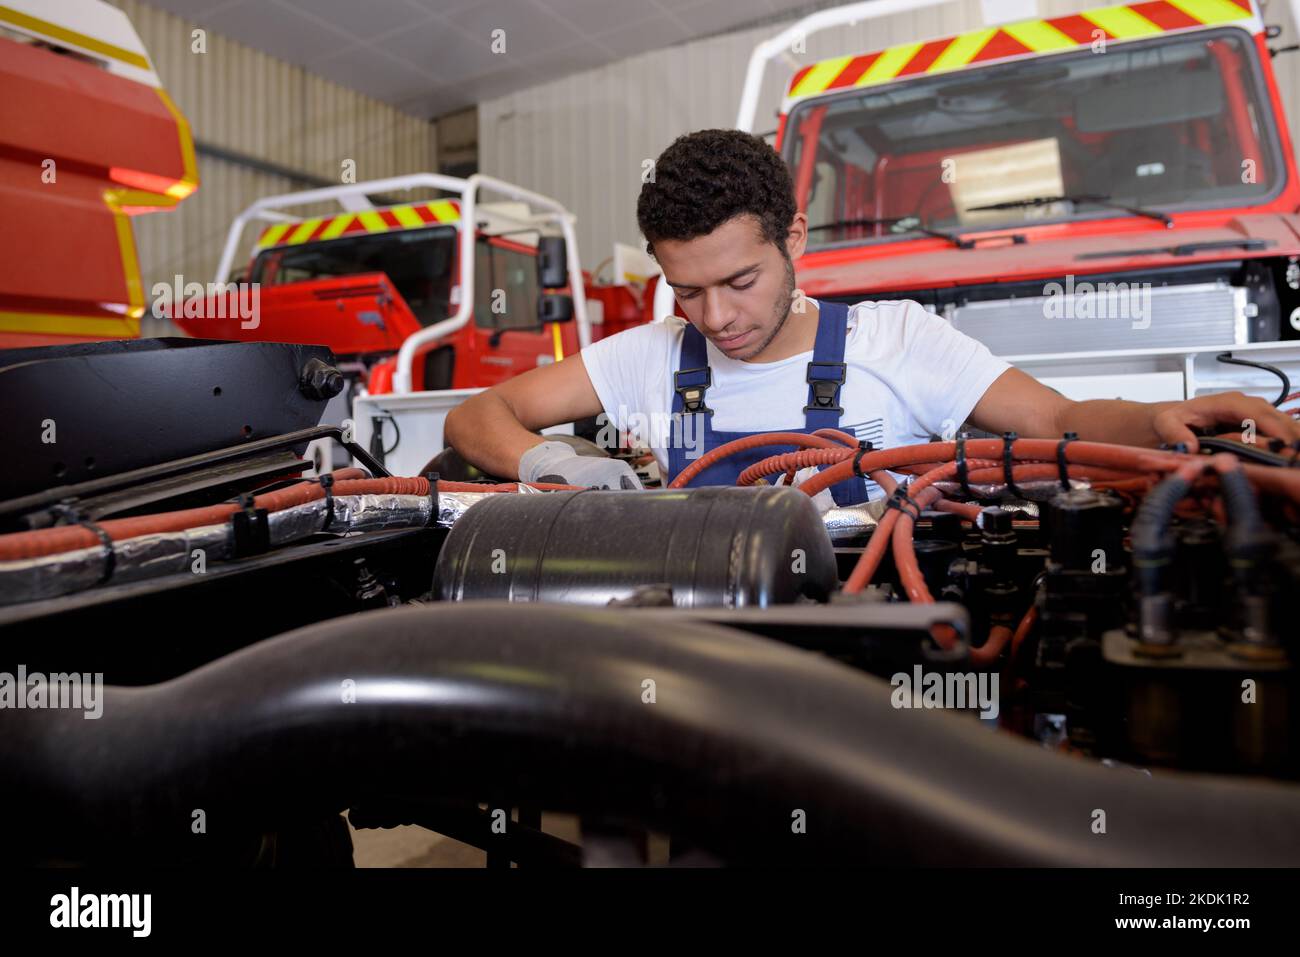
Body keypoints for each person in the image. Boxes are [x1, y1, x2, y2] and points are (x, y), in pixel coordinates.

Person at [444, 129, 1299, 497]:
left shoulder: (897, 337)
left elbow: (1058, 419)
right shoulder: (648, 356)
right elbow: (480, 412)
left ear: (795, 239)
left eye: (739, 281)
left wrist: (1160, 418)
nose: (715, 317)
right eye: (687, 290)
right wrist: (553, 464)